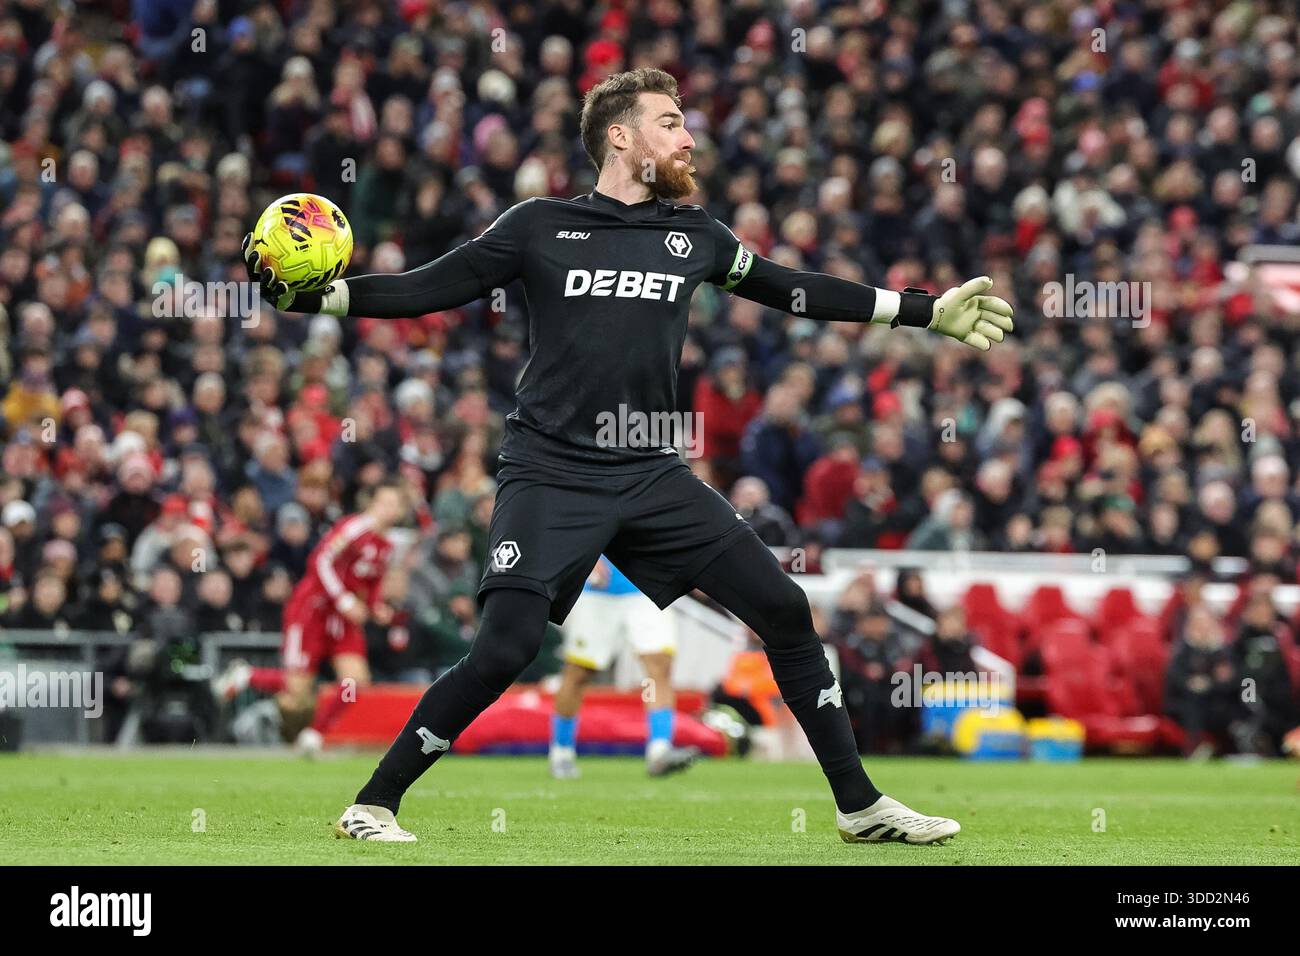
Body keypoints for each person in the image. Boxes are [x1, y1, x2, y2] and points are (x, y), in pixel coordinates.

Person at [245, 68, 1014, 844]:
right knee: (506, 648)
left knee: (785, 608)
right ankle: (372, 804)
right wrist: (316, 298)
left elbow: (794, 289)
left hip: (649, 472)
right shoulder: (538, 224)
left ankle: (860, 807)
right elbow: (426, 289)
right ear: (622, 136)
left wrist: (924, 312)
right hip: (549, 471)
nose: (688, 137)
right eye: (671, 121)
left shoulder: (695, 234)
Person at [213, 482, 408, 752]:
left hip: (342, 618)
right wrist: (344, 599)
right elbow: (321, 561)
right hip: (313, 608)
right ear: (371, 504)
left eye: (393, 505)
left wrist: (376, 608)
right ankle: (246, 674)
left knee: (356, 681)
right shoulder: (354, 528)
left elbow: (372, 583)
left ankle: (315, 735)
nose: (387, 510)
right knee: (297, 689)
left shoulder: (386, 545)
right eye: (383, 503)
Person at [549, 555, 698, 779]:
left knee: (657, 667)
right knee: (579, 673)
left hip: (646, 586)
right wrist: (588, 556)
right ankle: (561, 750)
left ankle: (659, 750)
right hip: (598, 590)